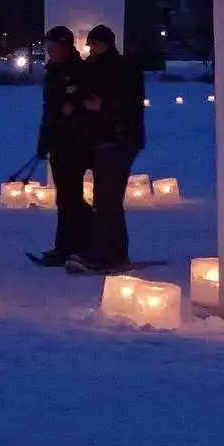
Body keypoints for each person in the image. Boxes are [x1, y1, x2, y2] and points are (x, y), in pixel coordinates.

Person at [67, 24, 144, 273]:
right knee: (107, 200)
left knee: (107, 200)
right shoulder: (96, 67)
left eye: (96, 43)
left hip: (117, 140)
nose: (92, 48)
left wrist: (103, 105)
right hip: (105, 140)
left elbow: (129, 102)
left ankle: (103, 255)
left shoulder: (122, 68)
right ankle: (113, 252)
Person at [30, 26, 92, 266]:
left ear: (66, 47)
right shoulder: (53, 72)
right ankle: (68, 245)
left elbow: (88, 102)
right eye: (48, 49)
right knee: (66, 198)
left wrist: (74, 105)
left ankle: (76, 244)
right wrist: (44, 142)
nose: (49, 53)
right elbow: (50, 112)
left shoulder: (79, 71)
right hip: (58, 142)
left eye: (53, 48)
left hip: (75, 143)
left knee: (70, 197)